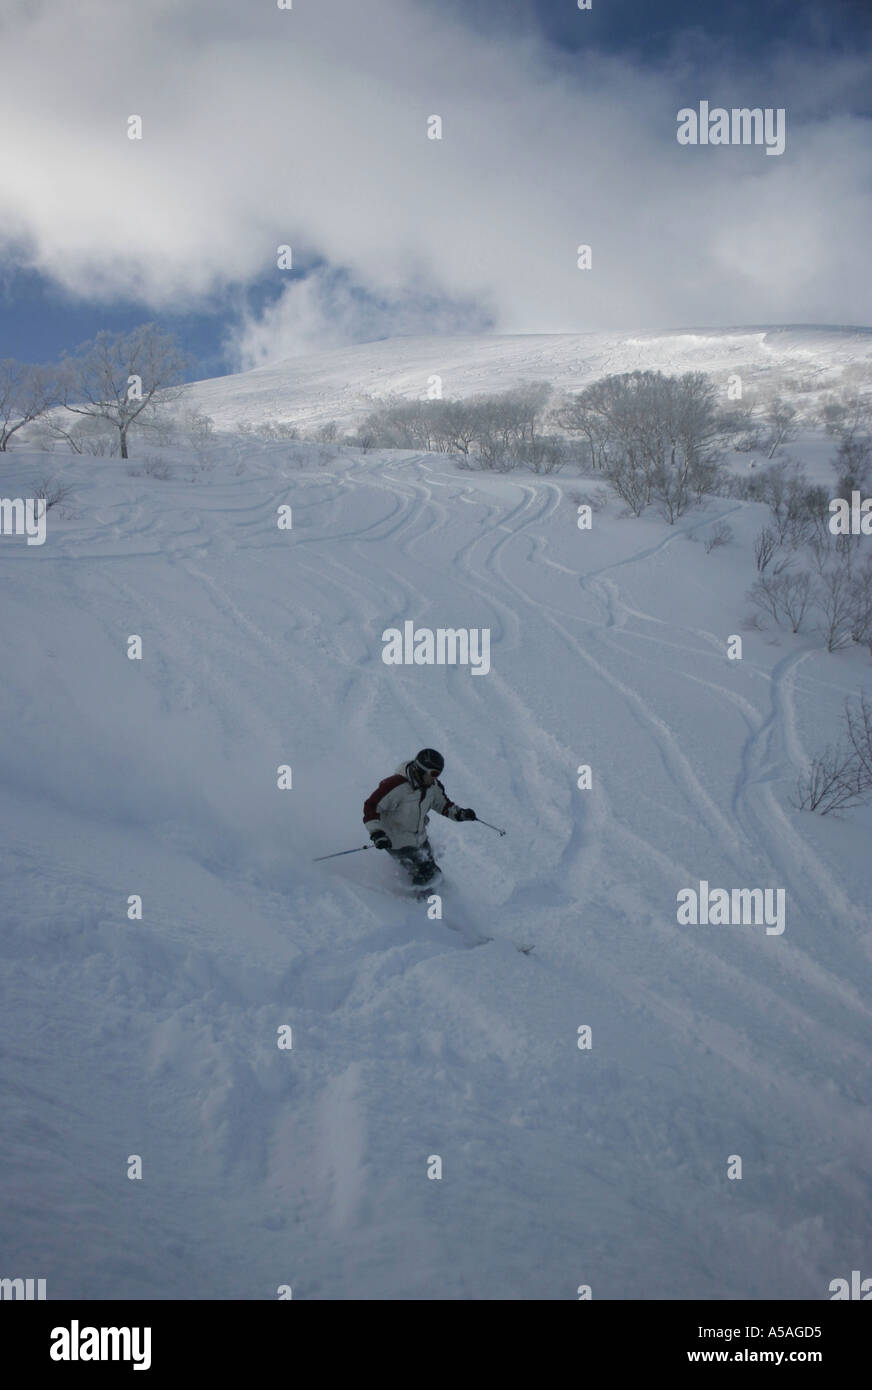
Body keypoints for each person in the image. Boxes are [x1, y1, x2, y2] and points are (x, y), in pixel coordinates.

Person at [362, 748, 476, 887]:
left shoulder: (433, 786)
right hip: (397, 842)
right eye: (434, 773)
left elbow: (443, 805)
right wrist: (377, 833)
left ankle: (439, 898)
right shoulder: (395, 786)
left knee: (434, 873)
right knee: (426, 875)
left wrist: (460, 814)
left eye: (439, 773)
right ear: (420, 770)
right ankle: (418, 904)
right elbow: (372, 807)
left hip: (420, 839)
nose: (436, 777)